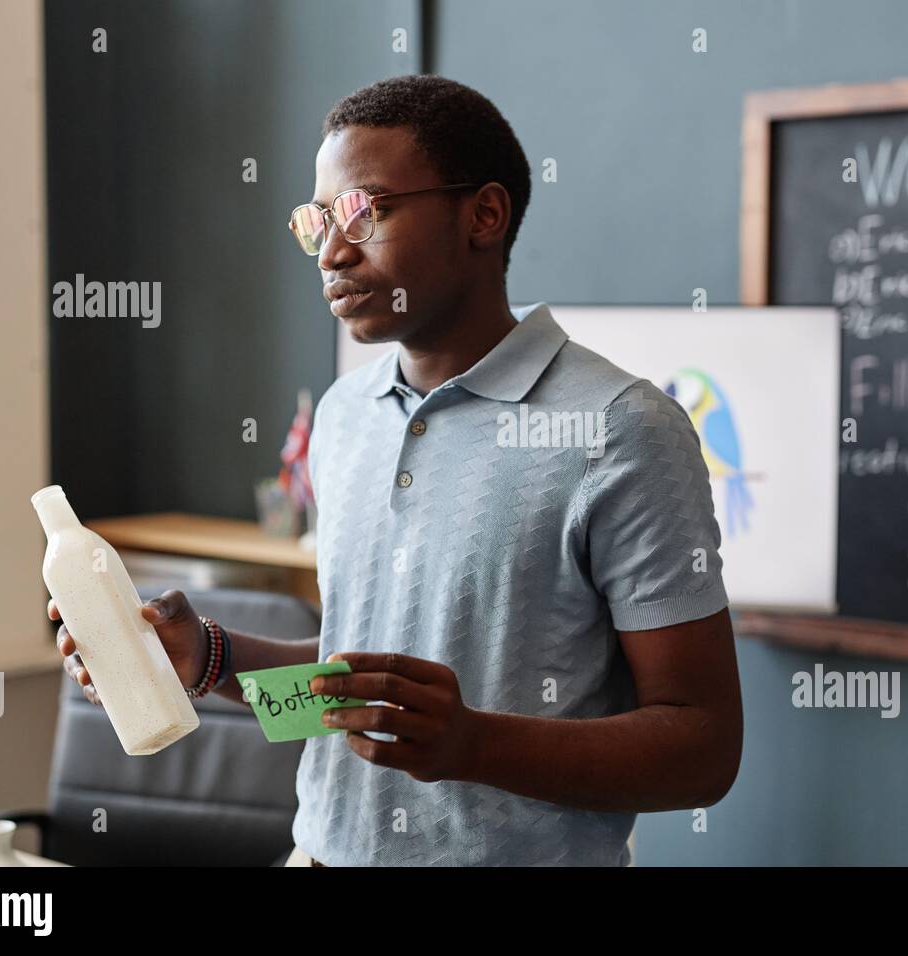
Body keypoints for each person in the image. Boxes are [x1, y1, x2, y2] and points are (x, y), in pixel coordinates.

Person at [52, 74, 742, 866]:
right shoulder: (345, 417)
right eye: (317, 221)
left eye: (365, 212)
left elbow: (704, 749)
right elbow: (358, 698)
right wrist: (209, 657)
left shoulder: (624, 431)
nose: (333, 251)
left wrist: (472, 744)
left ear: (484, 215)